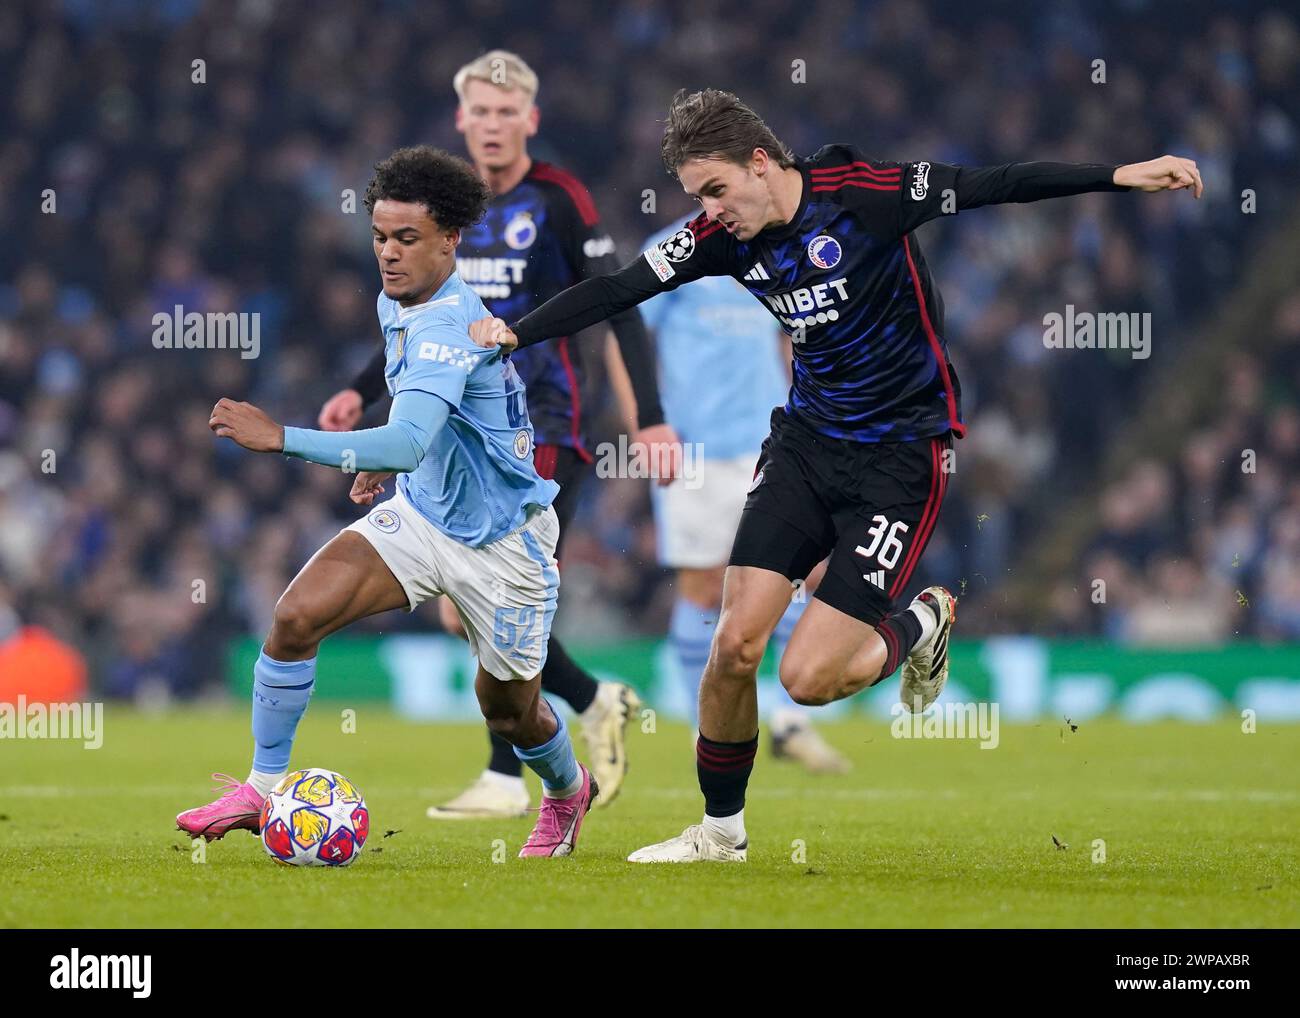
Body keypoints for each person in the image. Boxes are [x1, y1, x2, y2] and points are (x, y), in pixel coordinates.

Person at [467, 88, 1204, 862]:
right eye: (696, 197)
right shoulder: (718, 239)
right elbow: (619, 289)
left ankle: (923, 620)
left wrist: (1120, 175)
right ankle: (721, 834)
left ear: (761, 162)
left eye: (715, 189)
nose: (709, 210)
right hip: (806, 449)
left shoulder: (864, 196)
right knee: (733, 648)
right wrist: (514, 332)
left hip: (901, 459)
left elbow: (997, 182)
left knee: (810, 679)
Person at [177, 146, 598, 858]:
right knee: (295, 617)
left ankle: (566, 790)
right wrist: (387, 463)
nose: (389, 254)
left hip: (504, 544)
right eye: (379, 236)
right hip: (426, 514)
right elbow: (419, 430)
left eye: (407, 239)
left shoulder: (449, 326)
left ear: (450, 240)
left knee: (508, 711)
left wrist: (282, 436)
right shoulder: (398, 299)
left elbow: (403, 441)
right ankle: (261, 786)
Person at [318, 51, 679, 818]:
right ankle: (590, 701)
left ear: (529, 121)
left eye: (504, 112)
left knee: (480, 595)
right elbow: (424, 316)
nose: (490, 124)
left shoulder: (558, 199)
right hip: (459, 429)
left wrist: (647, 415)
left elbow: (618, 298)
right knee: (462, 606)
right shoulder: (443, 210)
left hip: (540, 419)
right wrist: (359, 388)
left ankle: (504, 777)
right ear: (461, 120)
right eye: (478, 111)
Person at [630, 212, 848, 773]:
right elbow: (627, 329)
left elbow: (790, 337)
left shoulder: (775, 247)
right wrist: (644, 421)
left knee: (807, 570)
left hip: (773, 438)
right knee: (705, 587)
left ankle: (787, 719)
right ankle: (700, 721)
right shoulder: (673, 248)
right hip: (694, 448)